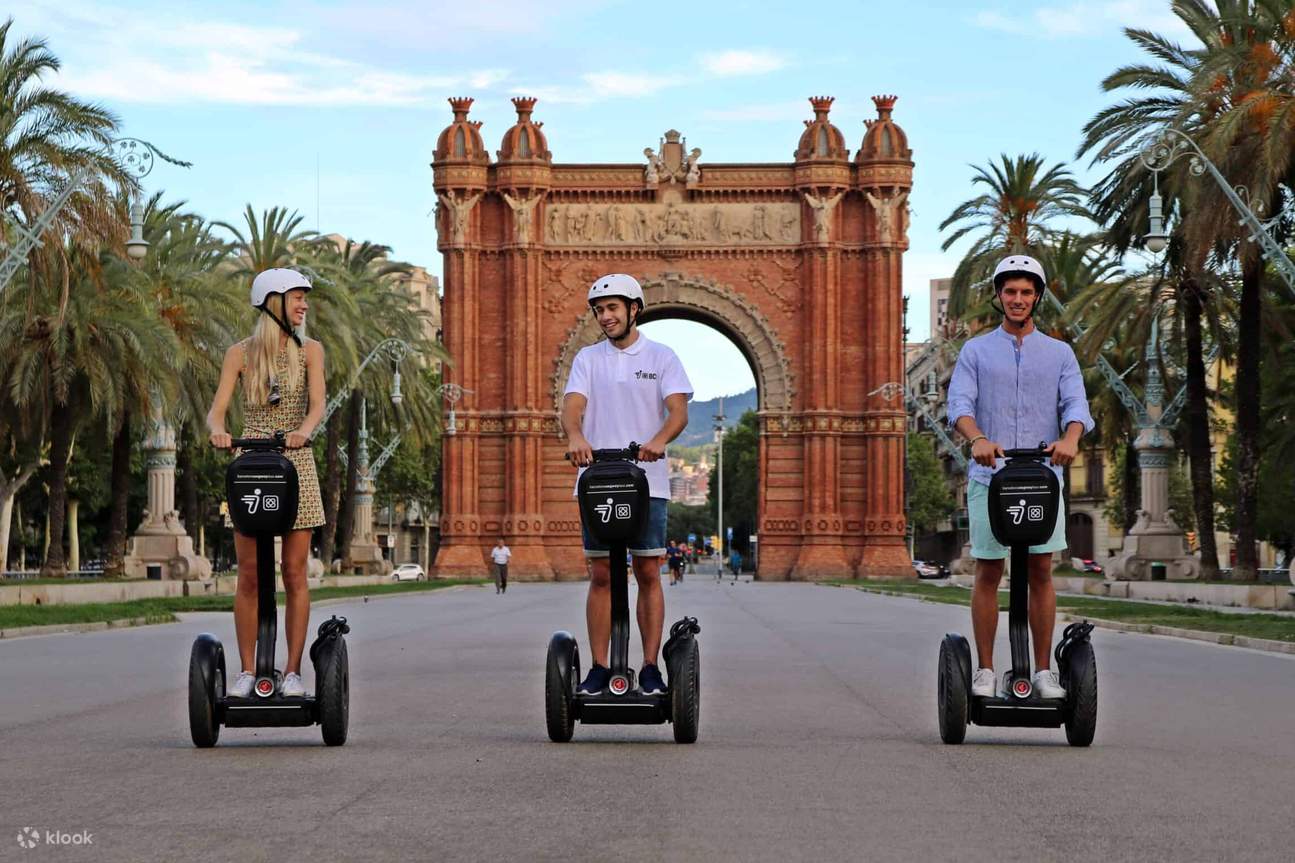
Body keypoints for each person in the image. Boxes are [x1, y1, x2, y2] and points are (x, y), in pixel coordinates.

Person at [946, 254, 1093, 700]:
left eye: (1026, 292)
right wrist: (977, 439)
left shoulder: (1059, 353)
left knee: (1040, 569)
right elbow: (960, 406)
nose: (1017, 299)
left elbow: (1076, 407)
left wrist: (1070, 439)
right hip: (990, 478)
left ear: (1037, 298)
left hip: (1043, 478)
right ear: (998, 296)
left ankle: (1045, 671)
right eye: (1010, 291)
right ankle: (986, 670)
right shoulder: (976, 351)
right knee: (989, 570)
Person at [563, 273, 692, 697]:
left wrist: (657, 442)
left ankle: (651, 666)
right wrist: (576, 437)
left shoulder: (662, 357)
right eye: (600, 310)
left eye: (613, 308)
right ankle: (600, 668)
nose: (605, 316)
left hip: (647, 482)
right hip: (597, 480)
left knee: (648, 570)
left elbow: (677, 412)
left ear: (634, 309)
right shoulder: (588, 359)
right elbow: (572, 407)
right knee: (601, 573)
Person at [207, 268, 326, 699]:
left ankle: (291, 672)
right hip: (252, 463)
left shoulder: (311, 351)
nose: (303, 305)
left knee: (294, 572)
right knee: (250, 577)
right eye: (296, 297)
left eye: (304, 298)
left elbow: (317, 406)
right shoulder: (239, 354)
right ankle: (245, 671)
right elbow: (216, 410)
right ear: (273, 302)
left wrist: (304, 431)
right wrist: (218, 430)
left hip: (296, 463)